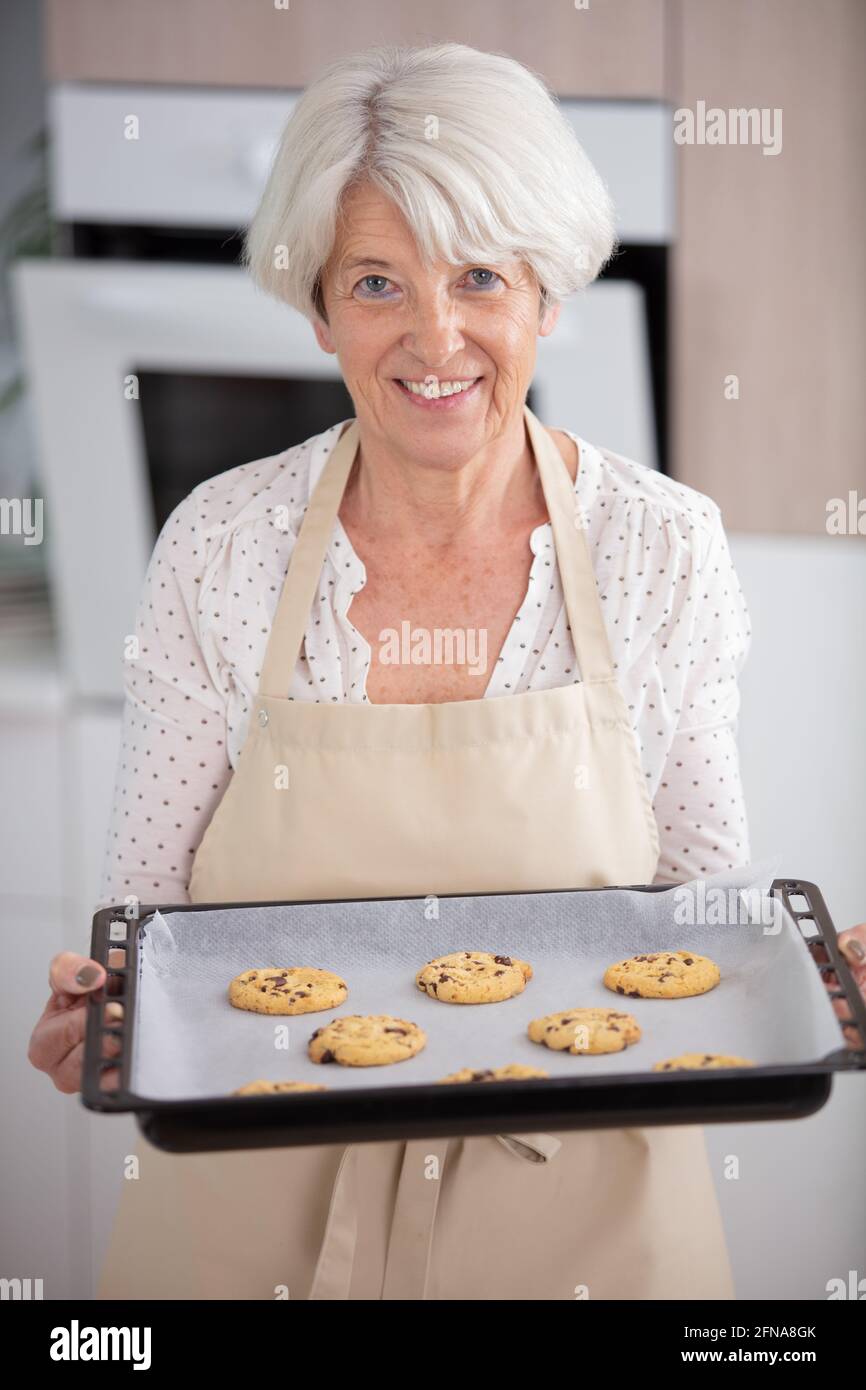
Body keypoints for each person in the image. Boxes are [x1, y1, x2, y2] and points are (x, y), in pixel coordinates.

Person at [27, 41, 866, 1300]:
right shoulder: (223, 543)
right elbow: (149, 930)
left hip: (586, 1222)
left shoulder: (657, 546)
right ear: (318, 307)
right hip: (252, 1216)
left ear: (545, 292)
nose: (435, 337)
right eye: (377, 282)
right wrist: (103, 1016)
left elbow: (695, 918)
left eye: (479, 276)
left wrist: (809, 983)